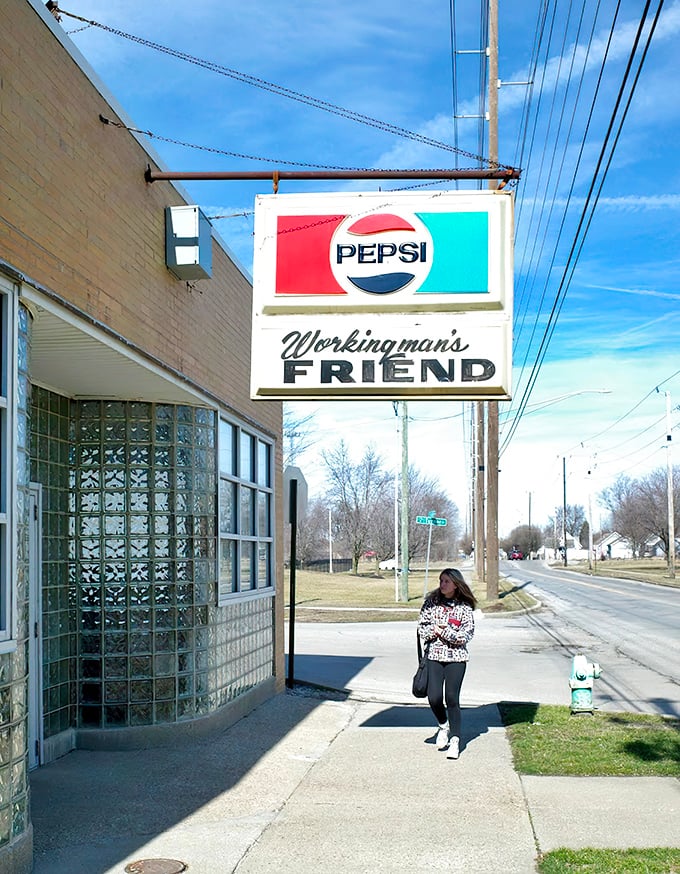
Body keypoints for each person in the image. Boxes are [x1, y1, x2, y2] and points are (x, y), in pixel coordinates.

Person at [417, 567, 476, 759]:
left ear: (456, 584)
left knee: (452, 698)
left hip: (456, 659)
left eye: (446, 582)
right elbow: (423, 630)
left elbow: (464, 636)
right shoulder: (431, 604)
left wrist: (442, 631)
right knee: (433, 697)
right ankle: (443, 725)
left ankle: (455, 740)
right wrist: (435, 629)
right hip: (434, 656)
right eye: (441, 581)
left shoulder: (464, 608)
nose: (442, 585)